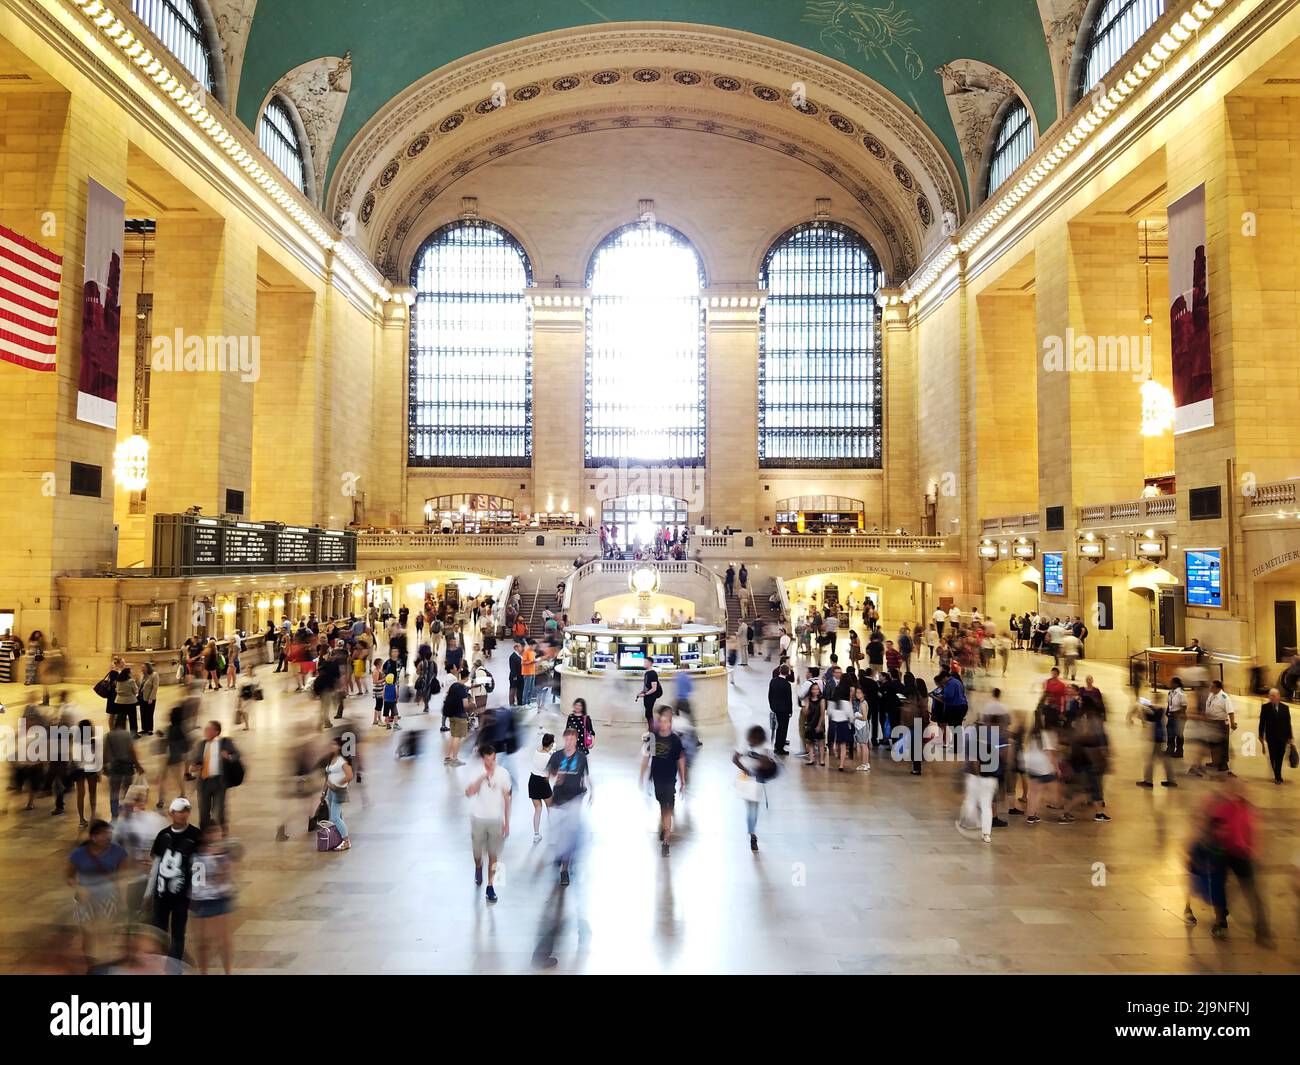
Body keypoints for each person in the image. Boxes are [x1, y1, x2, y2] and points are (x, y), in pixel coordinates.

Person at [1203, 779, 1272, 944]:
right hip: (1223, 852)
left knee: (1252, 890)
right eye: (1234, 788)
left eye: (1240, 789)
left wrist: (1254, 850)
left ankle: (1261, 928)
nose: (1238, 792)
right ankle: (1220, 921)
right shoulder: (1221, 807)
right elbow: (1211, 828)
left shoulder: (1247, 809)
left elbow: (1254, 831)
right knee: (1219, 887)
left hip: (1242, 854)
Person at [147, 797, 203, 967]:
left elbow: (199, 867)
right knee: (159, 933)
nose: (183, 814)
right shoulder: (163, 835)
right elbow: (156, 864)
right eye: (179, 811)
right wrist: (149, 893)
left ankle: (174, 969)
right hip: (161, 893)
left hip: (181, 895)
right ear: (171, 813)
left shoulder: (196, 835)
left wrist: (196, 894)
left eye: (186, 810)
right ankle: (158, 966)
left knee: (178, 933)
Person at [66, 820, 128, 970]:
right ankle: (92, 966)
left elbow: (122, 878)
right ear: (94, 837)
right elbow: (70, 877)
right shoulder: (78, 854)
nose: (108, 838)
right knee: (88, 935)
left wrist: (123, 900)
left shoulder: (118, 852)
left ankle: (103, 966)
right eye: (105, 835)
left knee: (105, 933)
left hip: (108, 899)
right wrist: (79, 888)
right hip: (85, 901)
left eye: (110, 834)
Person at [463, 742, 512, 903]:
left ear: (495, 757)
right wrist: (482, 778)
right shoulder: (476, 772)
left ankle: (490, 886)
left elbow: (507, 798)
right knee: (477, 853)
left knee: (493, 853)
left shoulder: (503, 774)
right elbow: (469, 793)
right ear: (483, 759)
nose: (491, 763)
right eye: (487, 760)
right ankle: (478, 867)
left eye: (493, 760)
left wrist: (507, 822)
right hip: (478, 818)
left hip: (495, 820)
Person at [190, 823, 241, 974]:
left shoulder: (225, 855)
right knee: (202, 943)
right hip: (200, 899)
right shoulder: (196, 855)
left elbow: (229, 876)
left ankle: (228, 972)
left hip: (220, 898)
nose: (215, 836)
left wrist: (219, 859)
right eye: (211, 832)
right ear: (205, 836)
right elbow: (194, 880)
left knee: (224, 941)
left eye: (218, 832)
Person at [547, 728, 591, 886]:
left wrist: (592, 792)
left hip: (574, 800)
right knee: (559, 833)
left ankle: (564, 870)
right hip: (558, 800)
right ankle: (560, 855)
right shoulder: (557, 756)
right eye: (567, 739)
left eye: (572, 739)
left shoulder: (581, 757)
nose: (569, 742)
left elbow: (585, 776)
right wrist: (556, 777)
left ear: (576, 740)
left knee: (569, 834)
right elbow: (550, 774)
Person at [641, 707, 686, 856]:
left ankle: (666, 841)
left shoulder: (675, 740)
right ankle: (664, 826)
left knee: (666, 809)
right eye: (661, 721)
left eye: (665, 722)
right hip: (657, 779)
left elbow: (680, 759)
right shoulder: (654, 737)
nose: (662, 724)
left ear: (670, 724)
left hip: (669, 779)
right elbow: (648, 757)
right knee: (663, 806)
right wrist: (643, 775)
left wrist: (683, 780)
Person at [733, 725, 776, 852]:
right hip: (756, 781)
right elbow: (769, 763)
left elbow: (734, 758)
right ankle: (752, 833)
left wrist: (745, 769)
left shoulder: (745, 745)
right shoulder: (765, 747)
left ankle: (751, 832)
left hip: (744, 780)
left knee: (749, 807)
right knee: (753, 809)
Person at [190, 720, 236, 830]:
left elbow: (236, 756)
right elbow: (195, 761)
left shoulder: (224, 743)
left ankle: (223, 833)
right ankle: (204, 833)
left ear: (216, 732)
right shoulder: (201, 744)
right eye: (206, 729)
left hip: (219, 782)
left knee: (219, 811)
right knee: (203, 811)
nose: (206, 731)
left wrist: (228, 757)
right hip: (204, 782)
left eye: (209, 729)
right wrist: (194, 767)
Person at [103, 714, 143, 820]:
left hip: (114, 767)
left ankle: (114, 815)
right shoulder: (128, 735)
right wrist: (138, 765)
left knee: (114, 792)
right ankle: (128, 814)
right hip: (127, 767)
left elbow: (105, 754)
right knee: (128, 792)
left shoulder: (109, 735)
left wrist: (104, 766)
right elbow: (132, 751)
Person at [323, 734, 354, 851]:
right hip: (330, 791)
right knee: (338, 815)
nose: (331, 746)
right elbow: (327, 775)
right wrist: (324, 792)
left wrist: (337, 783)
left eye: (334, 744)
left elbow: (349, 775)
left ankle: (346, 841)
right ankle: (340, 837)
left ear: (340, 747)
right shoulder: (331, 759)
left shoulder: (342, 760)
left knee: (335, 817)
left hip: (338, 790)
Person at [1258, 688, 1294, 785]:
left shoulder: (1285, 708)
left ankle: (1278, 774)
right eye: (1270, 696)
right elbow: (1262, 722)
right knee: (1273, 756)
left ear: (1278, 696)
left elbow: (1288, 723)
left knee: (1280, 756)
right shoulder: (1265, 707)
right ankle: (1277, 775)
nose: (1271, 698)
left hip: (1282, 737)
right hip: (1271, 737)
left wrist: (1290, 737)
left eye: (1273, 696)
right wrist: (1260, 734)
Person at [1203, 679, 1236, 773]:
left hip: (1220, 723)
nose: (1210, 688)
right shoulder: (1211, 695)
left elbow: (1230, 712)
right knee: (1212, 743)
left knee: (1222, 744)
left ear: (1217, 688)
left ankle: (1223, 764)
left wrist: (1233, 723)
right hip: (1211, 722)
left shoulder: (1224, 697)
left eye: (1212, 686)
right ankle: (1215, 761)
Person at [529, 733, 556, 843]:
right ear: (551, 744)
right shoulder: (549, 757)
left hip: (532, 781)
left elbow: (545, 751)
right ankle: (552, 833)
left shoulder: (537, 751)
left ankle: (536, 834)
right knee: (551, 808)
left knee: (538, 809)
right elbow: (551, 772)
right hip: (543, 783)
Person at [441, 669, 472, 767]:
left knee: (453, 736)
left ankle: (447, 757)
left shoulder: (453, 685)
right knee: (458, 738)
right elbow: (465, 705)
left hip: (451, 715)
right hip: (460, 715)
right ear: (467, 677)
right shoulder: (463, 688)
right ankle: (454, 758)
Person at [767, 665, 794, 756]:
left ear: (779, 670)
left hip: (775, 708)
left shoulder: (773, 681)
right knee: (783, 728)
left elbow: (770, 695)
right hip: (784, 710)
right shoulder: (787, 684)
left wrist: (772, 706)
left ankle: (776, 745)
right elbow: (788, 699)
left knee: (778, 727)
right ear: (788, 672)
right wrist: (790, 711)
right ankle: (780, 747)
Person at [801, 681, 826, 767]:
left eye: (817, 689)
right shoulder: (808, 699)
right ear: (811, 690)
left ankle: (822, 760)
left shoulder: (822, 700)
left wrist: (820, 725)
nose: (815, 691)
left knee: (820, 742)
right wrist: (804, 706)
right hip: (810, 722)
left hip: (818, 721)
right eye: (813, 689)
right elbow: (806, 713)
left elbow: (822, 713)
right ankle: (812, 758)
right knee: (810, 742)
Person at [1165, 676, 1188, 758]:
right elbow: (1169, 703)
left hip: (1178, 717)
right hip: (1171, 716)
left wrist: (1178, 714)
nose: (1170, 684)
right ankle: (1170, 749)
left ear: (1176, 684)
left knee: (1179, 734)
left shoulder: (1181, 694)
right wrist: (1168, 711)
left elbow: (1184, 706)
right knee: (1170, 733)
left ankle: (1179, 751)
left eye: (1172, 683)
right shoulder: (1171, 693)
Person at [636, 667, 663, 732]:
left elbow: (654, 688)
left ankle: (652, 730)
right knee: (648, 713)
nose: (644, 664)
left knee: (648, 713)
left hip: (651, 695)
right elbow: (646, 686)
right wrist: (641, 692)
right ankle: (651, 729)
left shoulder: (652, 673)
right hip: (647, 695)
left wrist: (645, 694)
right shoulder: (647, 673)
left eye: (646, 662)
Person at [138, 662, 159, 736]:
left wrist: (151, 698)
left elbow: (155, 687)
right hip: (142, 697)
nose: (142, 669)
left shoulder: (154, 675)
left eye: (143, 667)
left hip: (150, 698)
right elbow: (140, 685)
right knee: (143, 713)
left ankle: (150, 729)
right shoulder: (142, 675)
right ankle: (144, 729)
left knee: (149, 713)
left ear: (148, 668)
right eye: (142, 667)